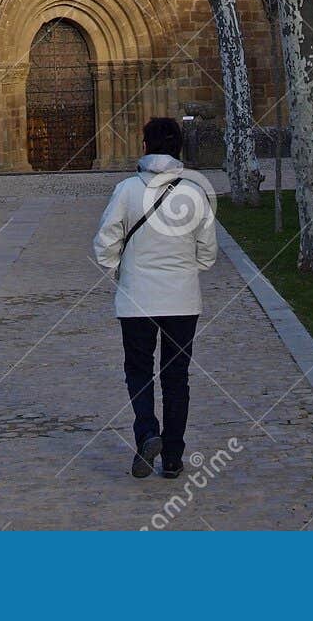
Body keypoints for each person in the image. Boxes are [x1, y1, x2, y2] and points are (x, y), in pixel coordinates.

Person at [93, 116, 218, 479]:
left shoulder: (127, 190)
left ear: (145, 147)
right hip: (181, 300)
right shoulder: (194, 193)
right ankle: (174, 455)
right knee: (176, 377)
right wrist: (184, 268)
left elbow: (105, 241)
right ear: (178, 149)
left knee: (139, 371)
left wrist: (118, 266)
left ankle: (147, 432)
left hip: (136, 300)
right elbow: (207, 253)